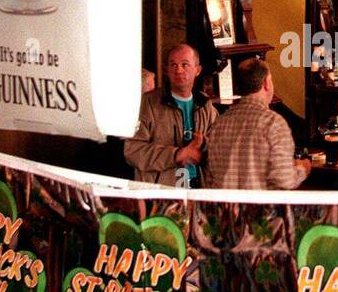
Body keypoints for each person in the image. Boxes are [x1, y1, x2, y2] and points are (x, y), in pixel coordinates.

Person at [204, 59, 310, 190]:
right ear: (266, 83)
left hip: (226, 209)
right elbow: (284, 180)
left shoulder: (219, 124)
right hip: (260, 209)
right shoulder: (273, 123)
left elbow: (209, 177)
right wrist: (303, 168)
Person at [124, 44, 218, 186]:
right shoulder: (148, 103)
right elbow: (132, 151)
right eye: (173, 65)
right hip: (160, 192)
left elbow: (220, 148)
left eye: (184, 64)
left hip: (198, 188)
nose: (178, 70)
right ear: (167, 70)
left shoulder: (205, 105)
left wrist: (203, 144)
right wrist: (176, 155)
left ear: (197, 70)